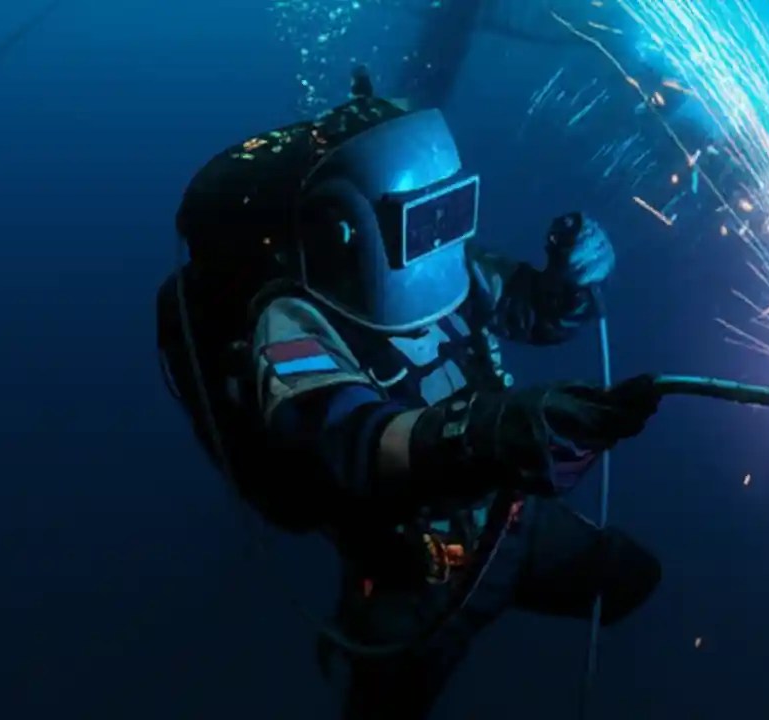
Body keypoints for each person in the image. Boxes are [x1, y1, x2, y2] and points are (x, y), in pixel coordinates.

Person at [155, 68, 664, 718]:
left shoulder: (446, 260)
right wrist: (488, 432)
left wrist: (570, 280)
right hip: (417, 574)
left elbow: (531, 310)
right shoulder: (291, 320)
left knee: (629, 579)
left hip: (513, 517)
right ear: (354, 225)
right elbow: (350, 442)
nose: (444, 235)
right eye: (424, 220)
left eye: (450, 211)